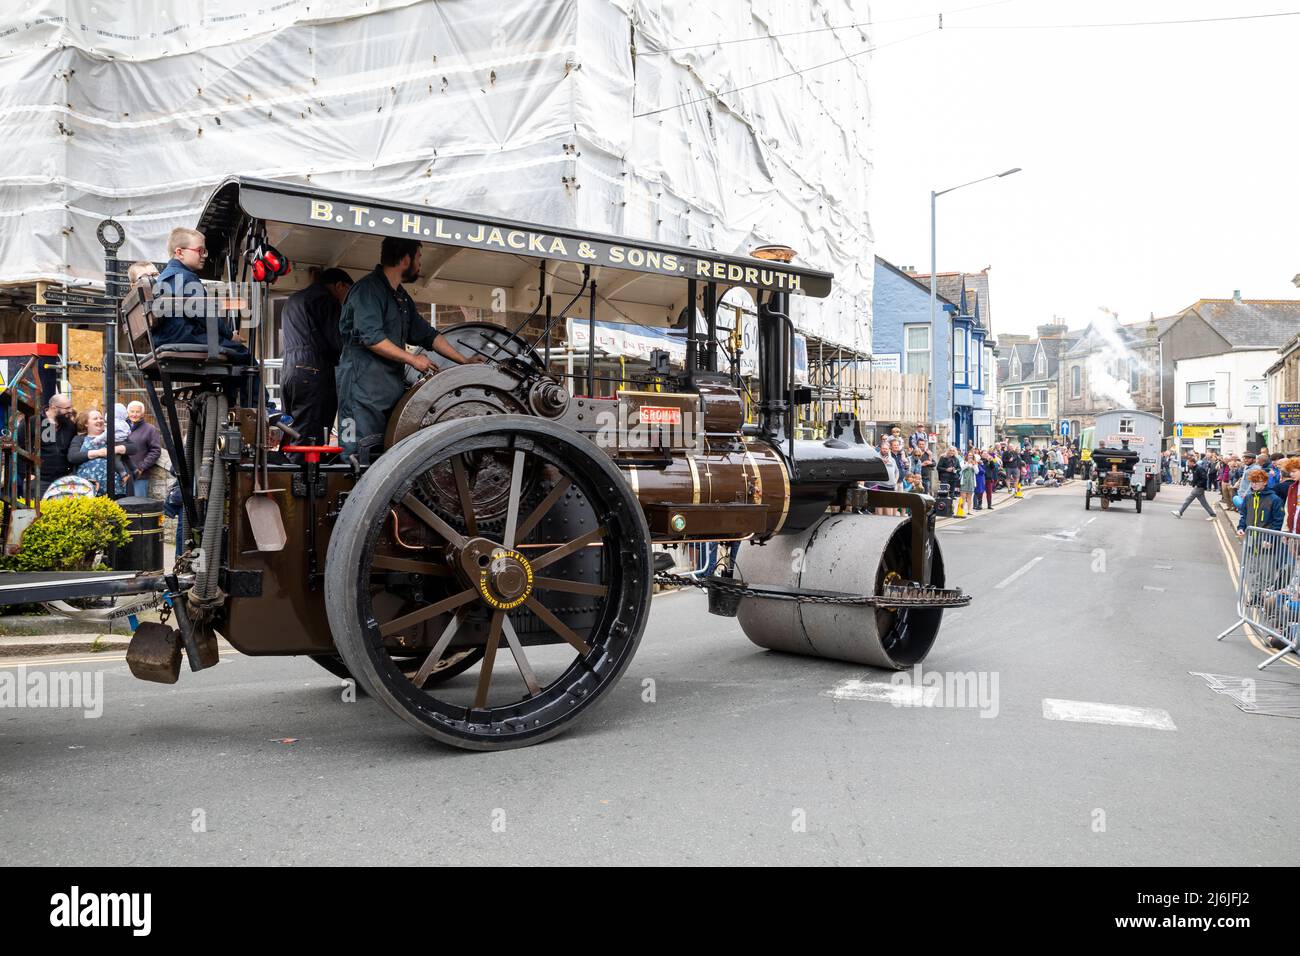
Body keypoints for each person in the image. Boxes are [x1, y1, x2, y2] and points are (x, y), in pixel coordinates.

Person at [335, 237, 481, 460]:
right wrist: (413, 360)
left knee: (386, 452)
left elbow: (427, 334)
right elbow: (372, 338)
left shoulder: (401, 297)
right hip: (361, 388)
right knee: (359, 452)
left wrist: (464, 361)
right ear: (405, 259)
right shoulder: (367, 290)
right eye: (419, 257)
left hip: (388, 388)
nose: (420, 264)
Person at [151, 227, 250, 360]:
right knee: (244, 356)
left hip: (167, 338)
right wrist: (230, 336)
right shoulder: (185, 277)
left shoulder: (165, 276)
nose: (204, 255)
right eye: (200, 250)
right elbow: (204, 313)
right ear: (180, 253)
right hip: (185, 337)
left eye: (205, 251)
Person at [281, 268, 353, 447]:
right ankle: (303, 475)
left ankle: (289, 470)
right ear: (339, 285)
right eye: (348, 292)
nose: (348, 300)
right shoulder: (326, 300)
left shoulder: (293, 299)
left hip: (289, 371)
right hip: (312, 371)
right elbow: (338, 341)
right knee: (310, 438)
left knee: (293, 432)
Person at [19, 392, 77, 497]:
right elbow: (19, 448)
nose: (70, 410)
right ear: (54, 407)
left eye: (70, 407)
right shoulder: (32, 422)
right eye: (67, 408)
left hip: (63, 480)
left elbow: (73, 449)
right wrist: (25, 474)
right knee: (36, 511)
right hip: (38, 480)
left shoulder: (70, 425)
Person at [68, 409, 136, 495]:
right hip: (88, 488)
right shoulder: (79, 439)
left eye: (101, 418)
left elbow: (133, 448)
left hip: (115, 488)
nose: (99, 420)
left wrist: (113, 450)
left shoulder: (113, 436)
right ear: (86, 423)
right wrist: (98, 453)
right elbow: (72, 457)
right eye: (95, 418)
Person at [124, 401, 162, 498]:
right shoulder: (121, 427)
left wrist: (141, 467)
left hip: (139, 475)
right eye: (132, 411)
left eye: (137, 412)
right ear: (127, 413)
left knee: (139, 505)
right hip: (122, 474)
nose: (134, 414)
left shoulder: (150, 429)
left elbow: (155, 451)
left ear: (142, 413)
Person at [1236, 468, 1283, 537]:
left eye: (1257, 482)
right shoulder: (1248, 497)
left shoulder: (1274, 499)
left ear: (1265, 482)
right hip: (1250, 536)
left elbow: (1278, 521)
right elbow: (1244, 515)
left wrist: (1270, 539)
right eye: (1252, 482)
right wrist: (1241, 528)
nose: (1254, 485)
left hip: (1265, 538)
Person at [1172, 453, 1217, 520]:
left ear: (1193, 462)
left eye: (1189, 463)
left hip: (1199, 488)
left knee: (1188, 499)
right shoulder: (1194, 468)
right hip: (1198, 487)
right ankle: (1213, 515)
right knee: (1204, 503)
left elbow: (1204, 478)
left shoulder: (1199, 468)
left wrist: (1198, 485)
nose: (1188, 464)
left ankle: (1180, 512)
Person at [959, 451, 977, 516]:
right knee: (963, 497)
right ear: (966, 456)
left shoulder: (974, 463)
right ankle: (962, 510)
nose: (970, 456)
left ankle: (969, 510)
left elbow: (977, 472)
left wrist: (974, 465)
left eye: (971, 455)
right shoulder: (962, 462)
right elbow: (962, 468)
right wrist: (968, 463)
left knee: (969, 497)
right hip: (964, 481)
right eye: (969, 455)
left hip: (971, 481)